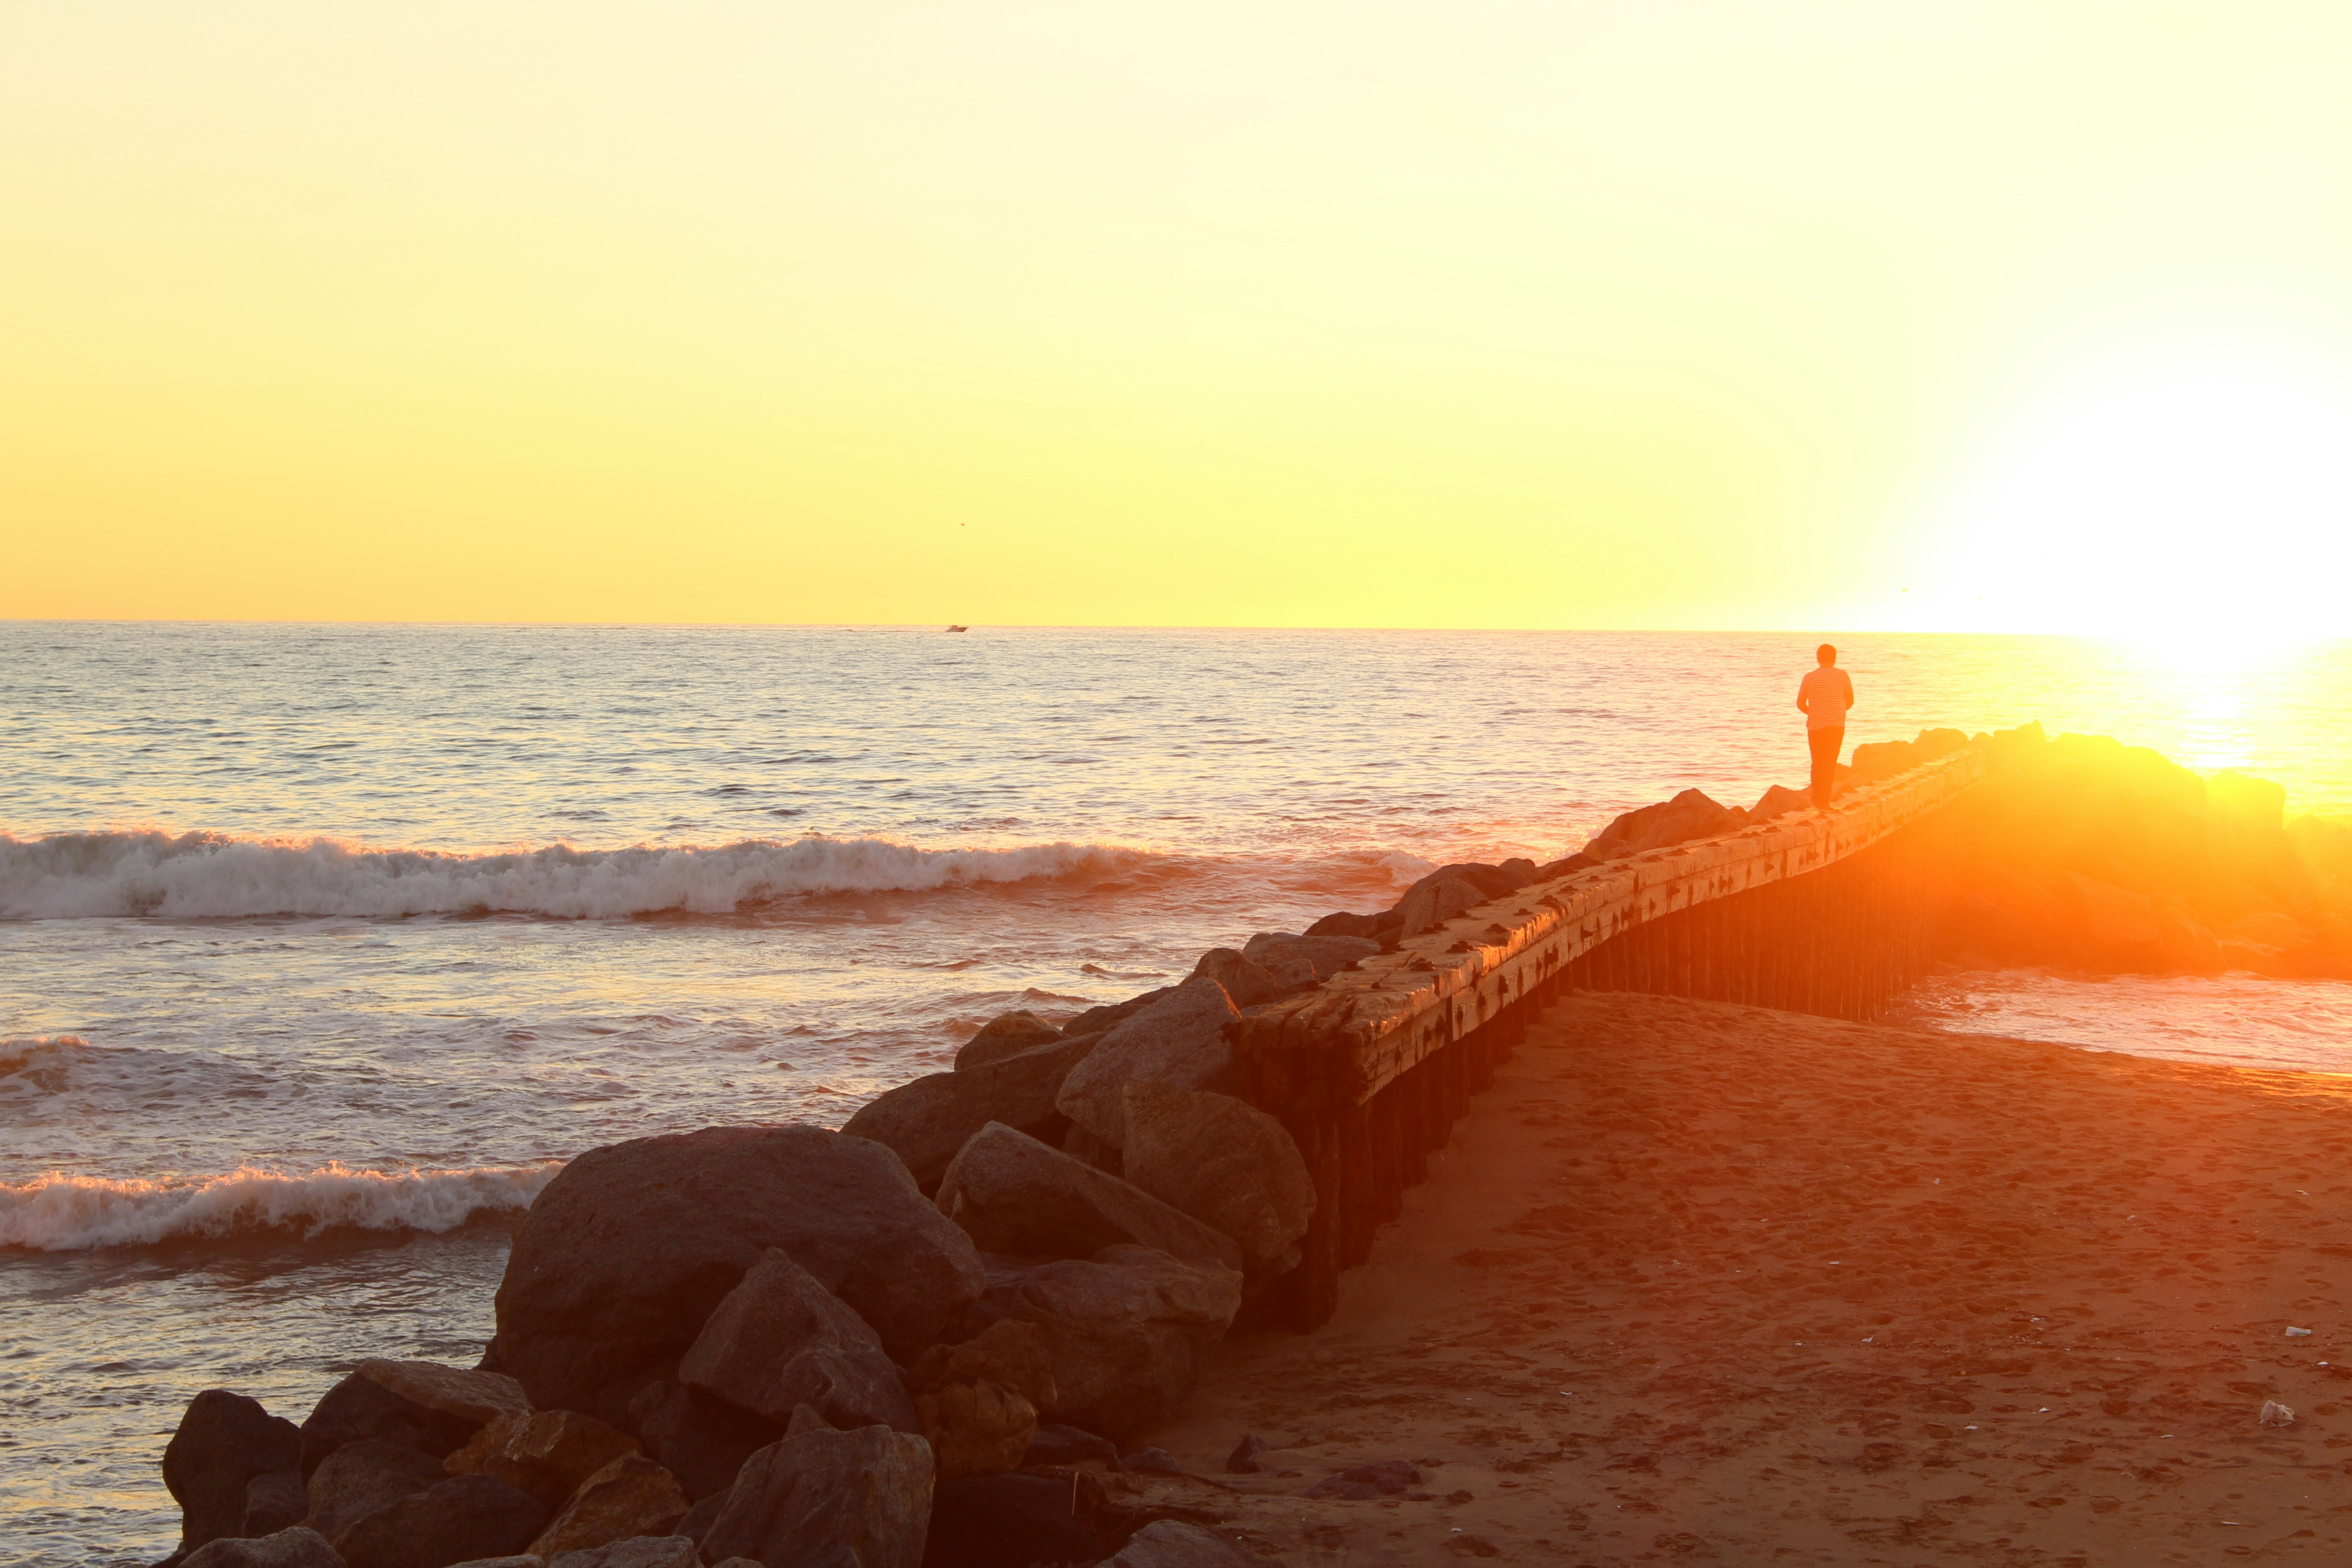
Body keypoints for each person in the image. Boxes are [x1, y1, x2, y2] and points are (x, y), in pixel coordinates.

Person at [1796, 643, 1853, 809]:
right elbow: (1850, 700)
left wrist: (1813, 713)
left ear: (1818, 658)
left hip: (1815, 726)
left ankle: (1817, 799)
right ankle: (1825, 802)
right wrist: (1838, 711)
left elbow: (1800, 703)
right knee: (1830, 762)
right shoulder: (1843, 676)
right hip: (1836, 725)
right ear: (1835, 658)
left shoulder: (1809, 677)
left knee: (1817, 762)